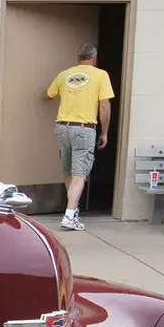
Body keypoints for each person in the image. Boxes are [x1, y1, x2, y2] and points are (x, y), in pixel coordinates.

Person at [45, 42, 114, 231]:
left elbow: (49, 94)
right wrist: (105, 131)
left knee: (68, 171)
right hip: (84, 129)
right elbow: (104, 105)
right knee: (80, 174)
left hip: (62, 127)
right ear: (94, 58)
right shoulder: (101, 75)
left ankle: (72, 211)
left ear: (79, 58)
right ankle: (69, 214)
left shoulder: (64, 74)